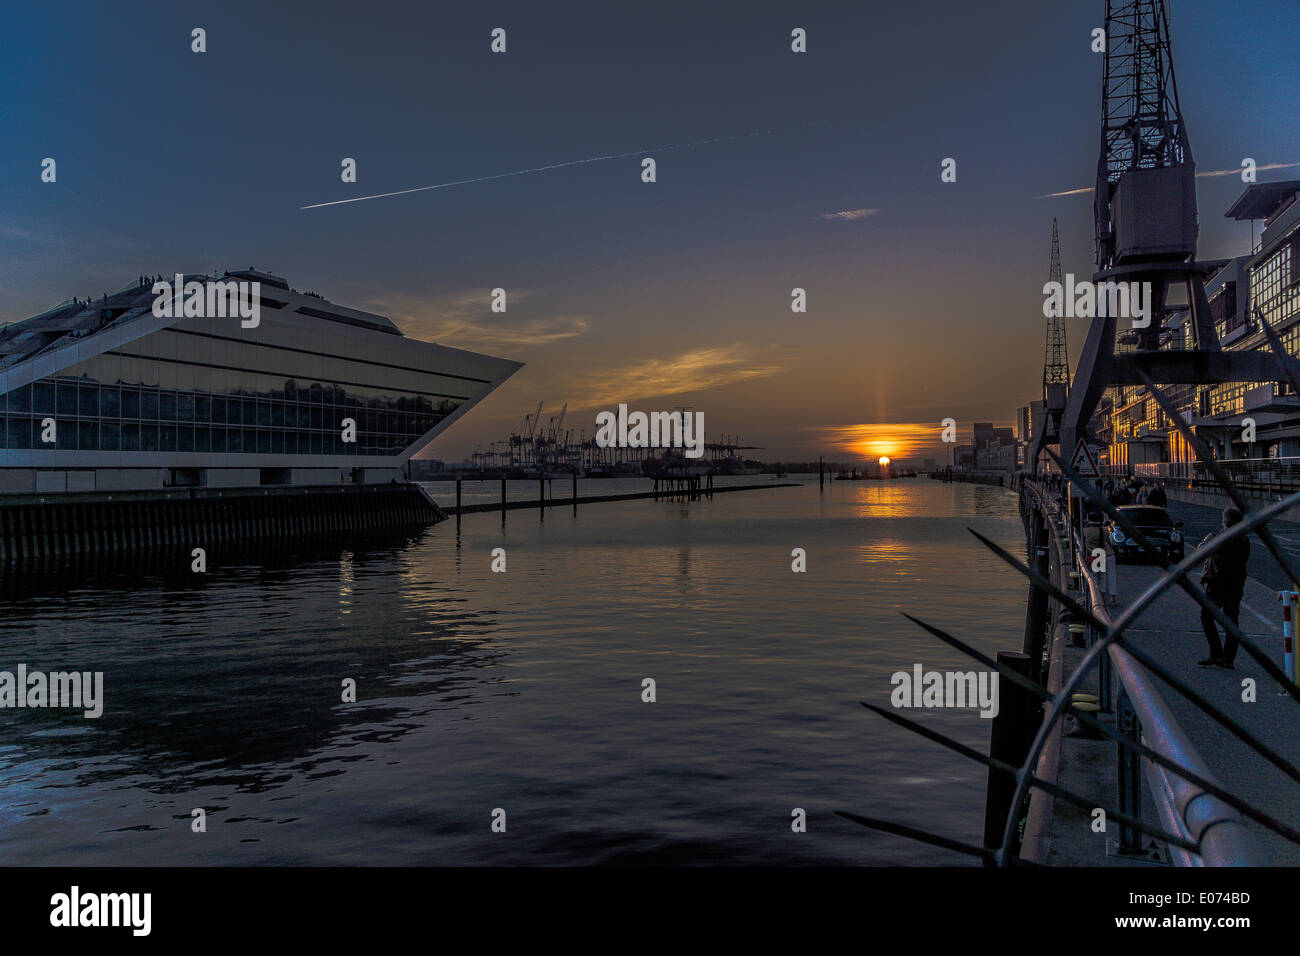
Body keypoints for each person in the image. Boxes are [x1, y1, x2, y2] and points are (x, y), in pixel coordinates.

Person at [1198, 506, 1250, 668]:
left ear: (1226, 522)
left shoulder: (1220, 538)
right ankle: (1228, 658)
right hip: (1235, 585)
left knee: (1206, 616)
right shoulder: (1243, 540)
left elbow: (1202, 550)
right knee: (1232, 621)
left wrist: (1210, 537)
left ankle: (1216, 653)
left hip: (1218, 583)